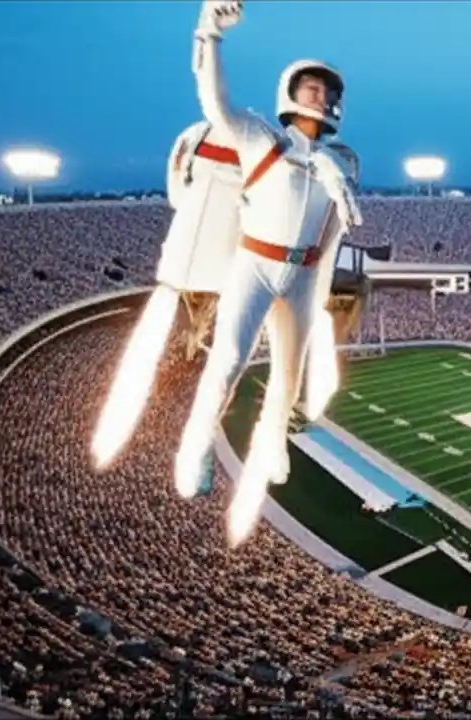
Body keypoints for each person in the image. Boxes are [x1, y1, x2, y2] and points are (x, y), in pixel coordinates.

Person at [176, 0, 362, 546]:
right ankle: (195, 444)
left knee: (288, 376)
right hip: (255, 263)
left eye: (327, 91)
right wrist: (209, 35)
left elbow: (329, 235)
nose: (320, 96)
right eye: (311, 88)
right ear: (289, 91)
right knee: (229, 362)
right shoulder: (261, 135)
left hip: (303, 275)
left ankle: (271, 441)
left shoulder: (344, 161)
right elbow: (215, 101)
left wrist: (330, 173)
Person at [89, 119, 243, 485]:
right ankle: (196, 445)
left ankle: (197, 445)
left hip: (187, 266)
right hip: (212, 267)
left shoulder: (195, 138)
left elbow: (177, 189)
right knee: (226, 360)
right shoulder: (211, 140)